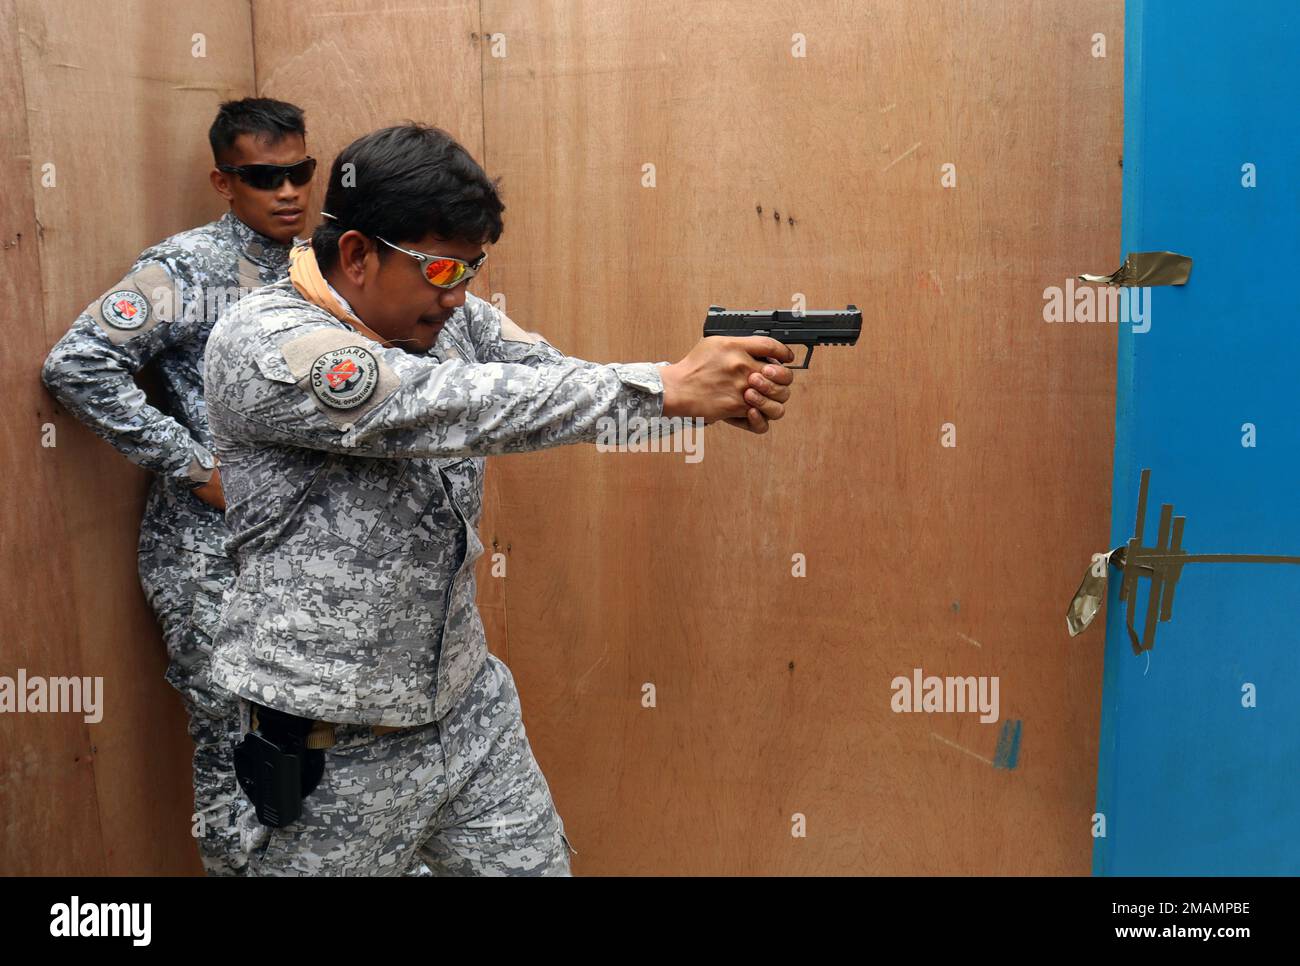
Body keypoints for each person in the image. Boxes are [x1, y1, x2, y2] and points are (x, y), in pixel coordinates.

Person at [203, 122, 796, 876]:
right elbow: (450, 405)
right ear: (357, 255)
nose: (462, 296)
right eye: (445, 272)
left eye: (473, 270)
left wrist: (705, 394)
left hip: (467, 711)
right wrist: (668, 387)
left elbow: (544, 384)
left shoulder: (445, 316)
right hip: (333, 748)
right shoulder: (269, 342)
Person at [40, 97, 314, 875]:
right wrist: (195, 467)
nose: (288, 191)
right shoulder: (186, 268)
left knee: (321, 744)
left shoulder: (327, 265)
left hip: (305, 553)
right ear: (224, 181)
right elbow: (77, 364)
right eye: (265, 177)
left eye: (300, 171)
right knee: (234, 746)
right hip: (210, 557)